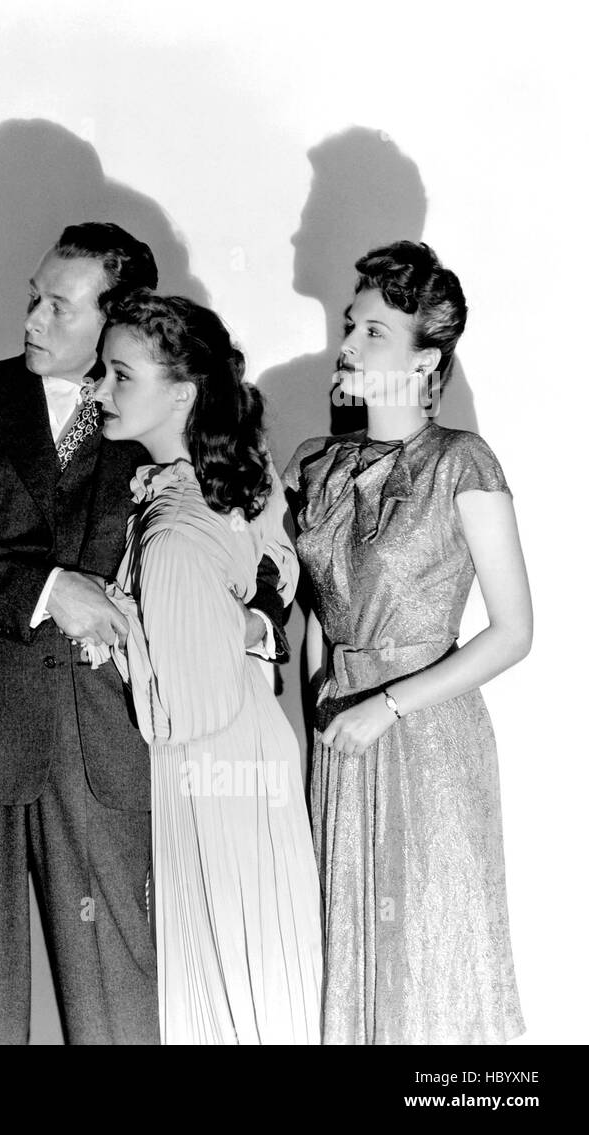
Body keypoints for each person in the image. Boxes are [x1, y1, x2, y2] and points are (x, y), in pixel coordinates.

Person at [0, 222, 293, 1044]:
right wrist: (46, 587)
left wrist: (249, 626)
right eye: (33, 297)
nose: (32, 319)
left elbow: (262, 568)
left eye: (58, 307)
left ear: (116, 316)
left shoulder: (162, 420)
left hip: (113, 756)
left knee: (121, 1019)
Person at [283, 241, 531, 1044]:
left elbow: (515, 632)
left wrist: (386, 706)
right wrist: (323, 711)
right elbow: (319, 614)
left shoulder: (463, 462)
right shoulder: (318, 466)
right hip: (341, 742)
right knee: (347, 955)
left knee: (432, 953)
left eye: (373, 333)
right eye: (349, 326)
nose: (347, 346)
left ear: (426, 360)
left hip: (427, 737)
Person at [85, 291, 322, 1043]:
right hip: (242, 754)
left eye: (121, 375)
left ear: (182, 392)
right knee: (250, 983)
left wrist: (118, 629)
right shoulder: (224, 482)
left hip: (211, 766)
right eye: (102, 372)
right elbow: (264, 585)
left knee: (231, 990)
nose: (99, 390)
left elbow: (184, 708)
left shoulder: (174, 528)